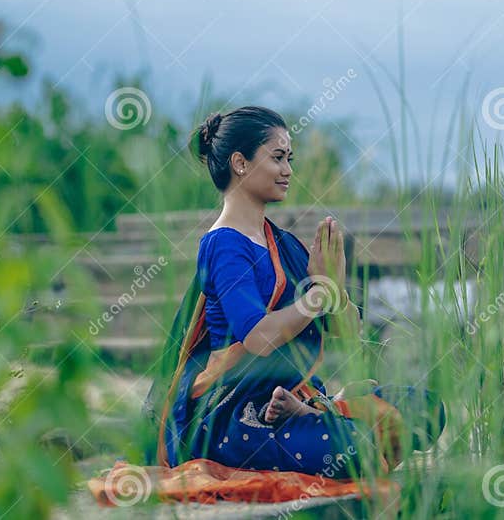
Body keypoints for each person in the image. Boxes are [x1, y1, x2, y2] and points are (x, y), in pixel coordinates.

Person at [142, 106, 445, 478]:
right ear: (240, 163)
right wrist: (317, 295)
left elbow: (347, 331)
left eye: (290, 159)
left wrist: (335, 288)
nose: (288, 170)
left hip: (293, 394)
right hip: (238, 413)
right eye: (278, 158)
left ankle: (321, 408)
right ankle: (320, 417)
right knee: (359, 449)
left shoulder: (282, 243)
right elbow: (258, 338)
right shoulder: (224, 246)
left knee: (427, 409)